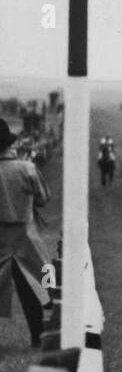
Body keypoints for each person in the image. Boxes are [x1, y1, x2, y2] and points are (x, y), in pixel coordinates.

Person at [0, 121, 51, 348]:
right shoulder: (26, 168)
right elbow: (43, 198)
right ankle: (36, 337)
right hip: (25, 236)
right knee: (30, 288)